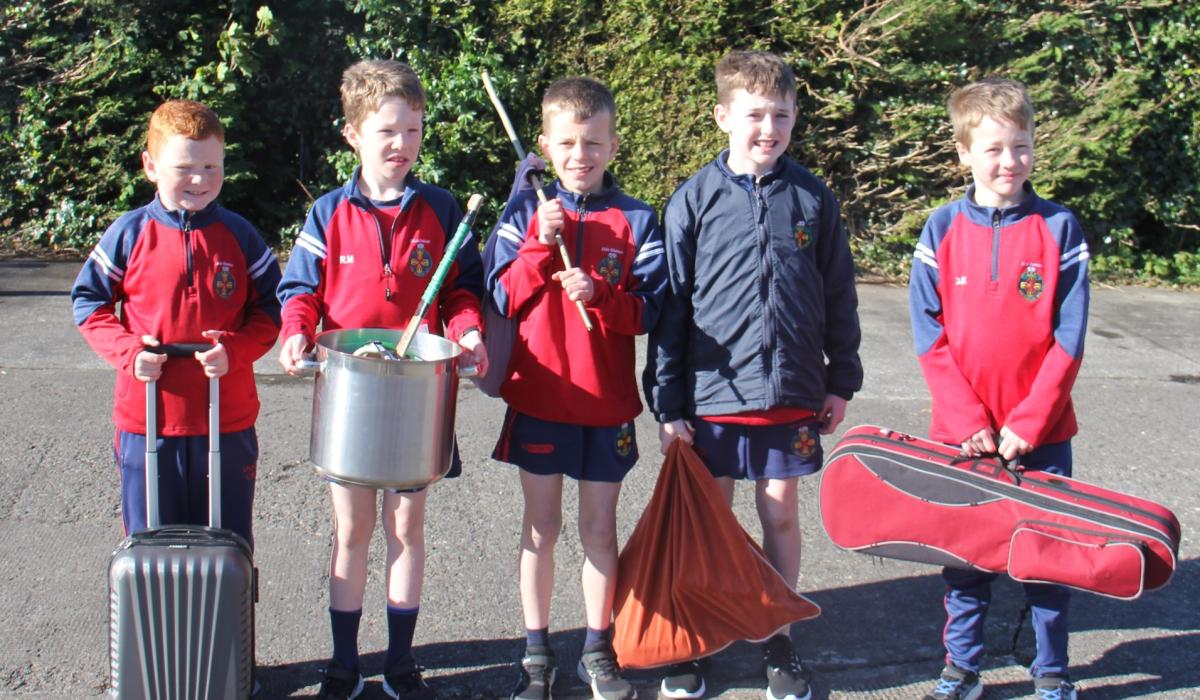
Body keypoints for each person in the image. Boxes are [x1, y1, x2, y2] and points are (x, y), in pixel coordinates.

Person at [643, 50, 862, 700]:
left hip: (789, 395)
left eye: (781, 115)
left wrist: (839, 379)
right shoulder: (693, 199)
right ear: (722, 117)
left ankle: (778, 638)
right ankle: (698, 641)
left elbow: (839, 295)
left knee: (782, 516)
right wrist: (667, 404)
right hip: (711, 397)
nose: (768, 128)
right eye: (754, 115)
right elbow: (670, 311)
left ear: (795, 119)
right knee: (709, 526)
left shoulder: (812, 199)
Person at [276, 59, 488, 700]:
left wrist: (470, 330)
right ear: (353, 134)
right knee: (353, 530)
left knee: (406, 529)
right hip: (351, 390)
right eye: (388, 131)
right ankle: (344, 664)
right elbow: (300, 291)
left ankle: (399, 662)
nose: (402, 145)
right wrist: (294, 330)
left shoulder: (442, 209)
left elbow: (460, 291)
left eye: (414, 131)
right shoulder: (327, 215)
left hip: (420, 390)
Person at [486, 76, 668, 700]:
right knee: (541, 528)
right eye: (566, 143)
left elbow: (652, 313)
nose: (579, 155)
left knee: (598, 529)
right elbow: (499, 298)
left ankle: (598, 646)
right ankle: (536, 652)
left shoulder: (639, 219)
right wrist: (539, 244)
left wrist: (604, 295)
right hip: (540, 400)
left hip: (607, 405)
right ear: (544, 144)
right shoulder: (524, 213)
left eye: (593, 143)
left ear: (614, 145)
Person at [908, 77, 1090, 700]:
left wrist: (1029, 422)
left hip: (1040, 435)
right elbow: (928, 338)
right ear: (963, 154)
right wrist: (967, 422)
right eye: (993, 149)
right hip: (965, 439)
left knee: (1047, 559)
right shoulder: (940, 230)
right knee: (967, 564)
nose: (1009, 161)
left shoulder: (1060, 229)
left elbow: (1069, 339)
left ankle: (1051, 674)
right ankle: (961, 669)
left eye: (1021, 146)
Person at [71, 98, 281, 549]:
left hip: (226, 419)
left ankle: (223, 622)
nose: (200, 179)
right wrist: (130, 354)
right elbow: (89, 303)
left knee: (227, 544)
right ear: (151, 166)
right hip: (148, 422)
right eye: (185, 166)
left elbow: (270, 309)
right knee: (151, 548)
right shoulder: (128, 234)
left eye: (211, 166)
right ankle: (153, 622)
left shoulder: (240, 236)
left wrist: (236, 351)